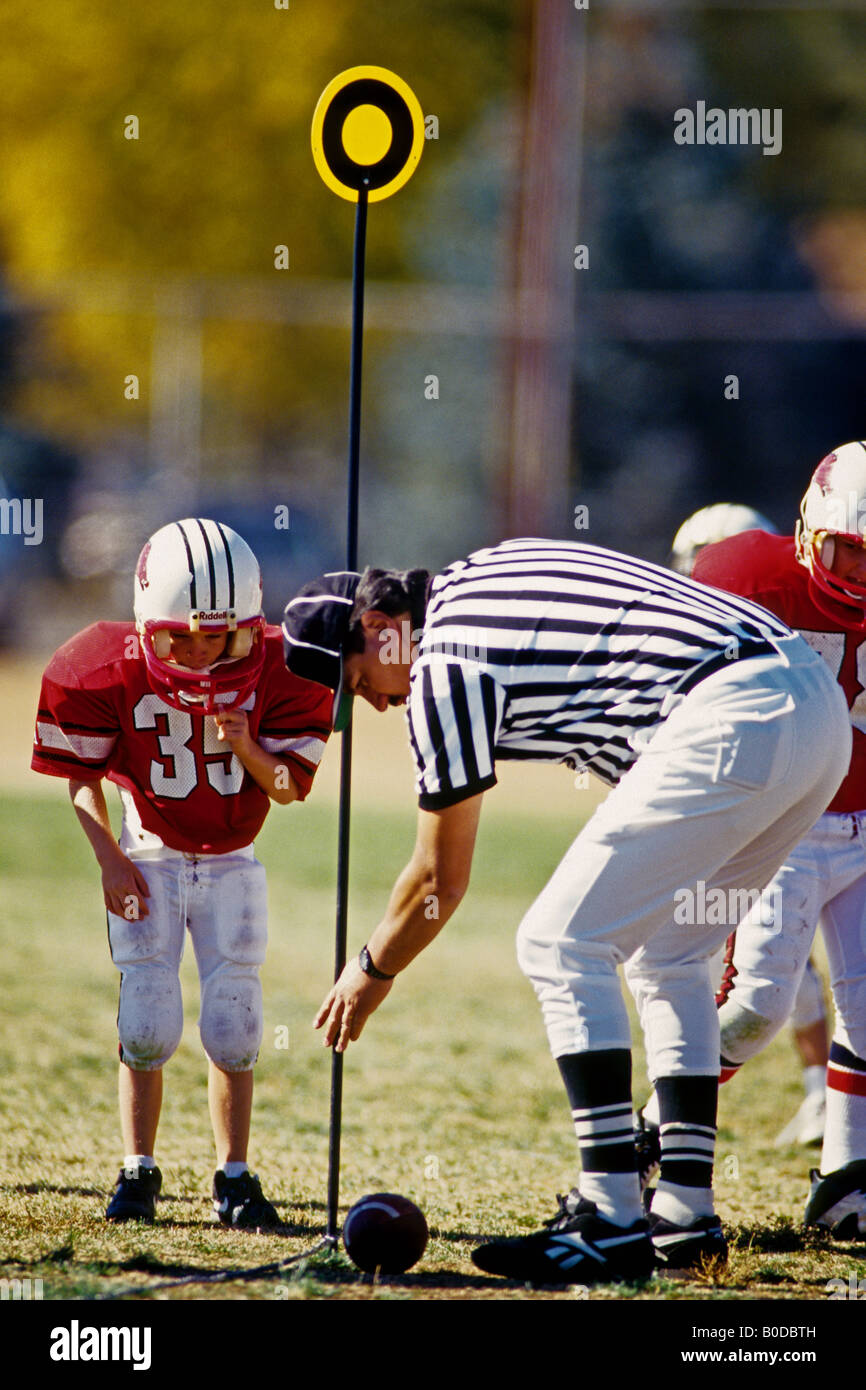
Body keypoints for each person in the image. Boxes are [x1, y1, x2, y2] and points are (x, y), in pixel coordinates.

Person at [283, 537, 850, 1284]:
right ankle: (684, 1213)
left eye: (357, 682)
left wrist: (371, 969)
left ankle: (609, 1215)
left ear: (381, 623)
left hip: (731, 716)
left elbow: (436, 883)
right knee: (673, 954)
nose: (378, 703)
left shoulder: (442, 664)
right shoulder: (482, 571)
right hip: (815, 710)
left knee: (559, 944)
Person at [32, 518, 332, 1228]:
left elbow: (288, 789)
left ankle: (234, 1177)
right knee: (147, 1021)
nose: (198, 651)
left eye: (217, 636)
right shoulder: (104, 668)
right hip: (150, 854)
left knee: (234, 1025)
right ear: (147, 625)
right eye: (182, 635)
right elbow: (81, 778)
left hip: (232, 859)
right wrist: (109, 859)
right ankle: (137, 1171)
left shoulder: (285, 670)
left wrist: (249, 746)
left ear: (249, 626)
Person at [646, 443, 866, 1241]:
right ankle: (650, 1133)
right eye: (847, 547)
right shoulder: (746, 572)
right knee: (752, 1008)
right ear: (810, 530)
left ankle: (845, 1180)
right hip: (791, 824)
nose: (858, 571)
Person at [669, 502, 829, 1149]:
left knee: (737, 964)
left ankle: (674, 1124)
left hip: (769, 811)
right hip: (778, 807)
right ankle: (819, 1090)